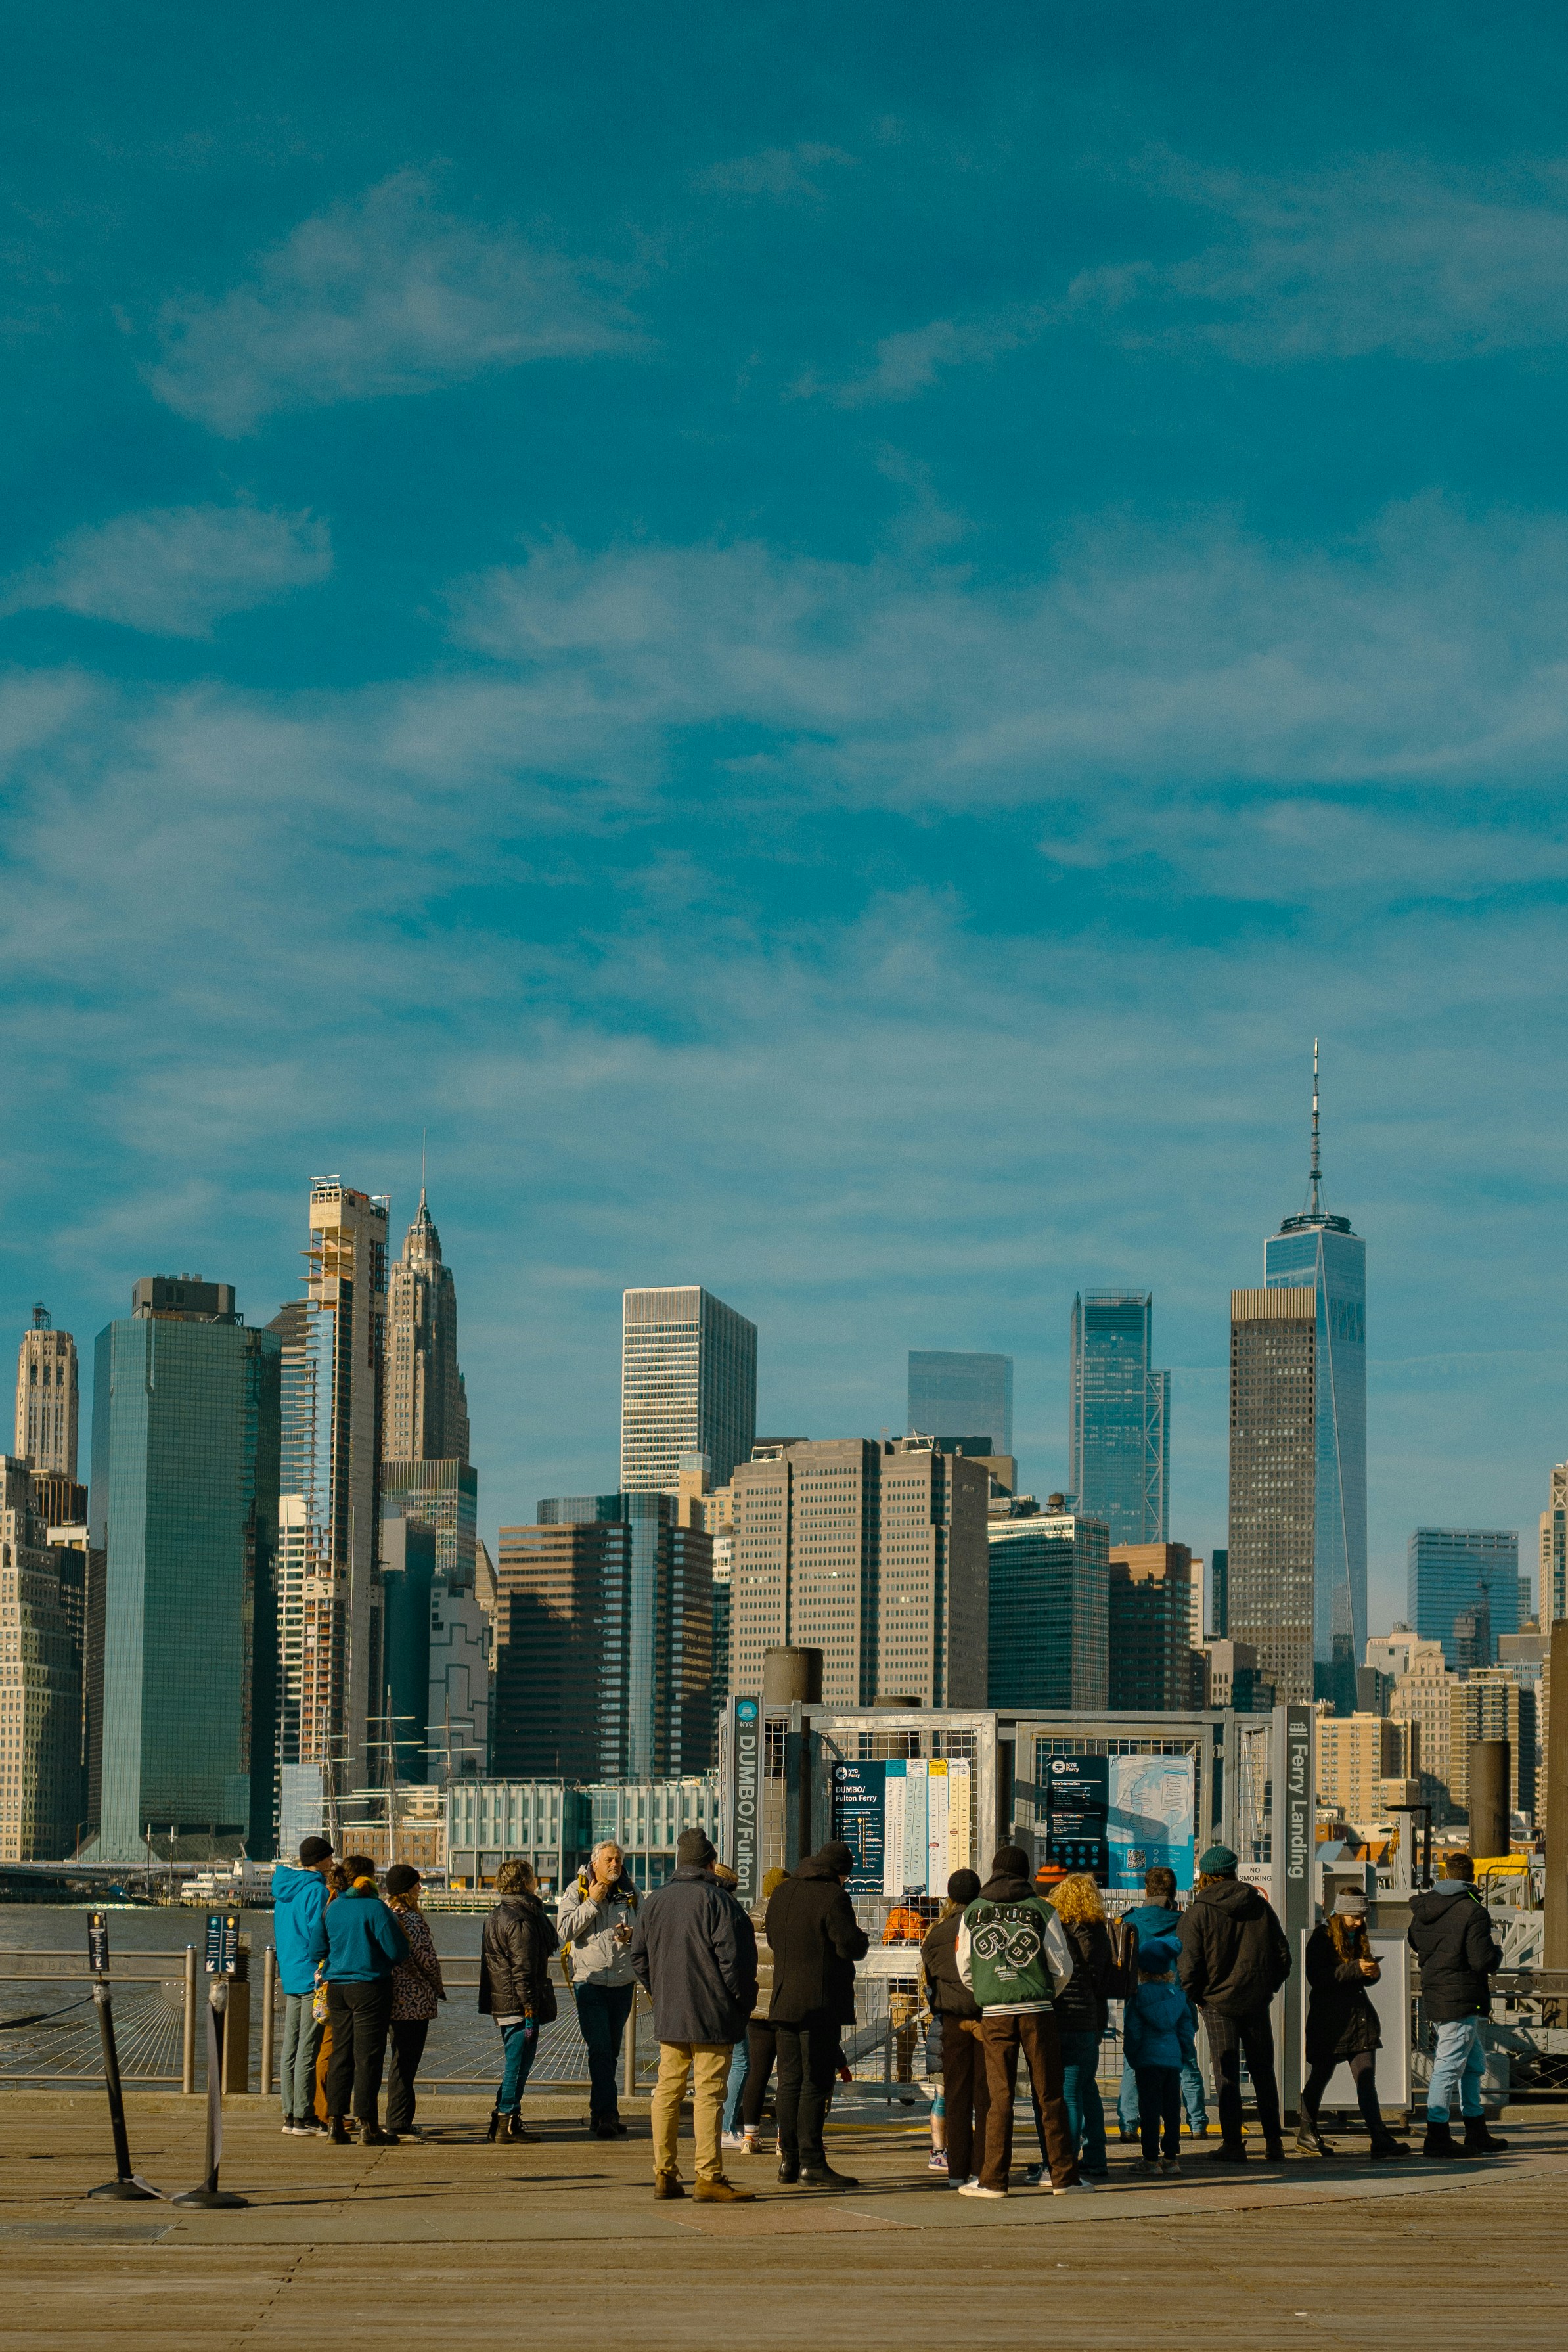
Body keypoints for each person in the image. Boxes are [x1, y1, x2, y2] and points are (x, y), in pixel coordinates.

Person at [629, 1828, 757, 2204]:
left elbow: (638, 1956)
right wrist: (739, 2003)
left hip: (670, 2014)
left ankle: (664, 2173)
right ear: (709, 1862)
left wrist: (660, 1991)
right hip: (713, 2015)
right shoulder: (719, 1901)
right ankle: (709, 2176)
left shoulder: (654, 1902)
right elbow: (736, 1963)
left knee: (667, 2091)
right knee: (708, 2095)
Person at [956, 1844, 1088, 2197]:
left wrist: (991, 1990)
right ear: (1026, 1873)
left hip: (995, 2015)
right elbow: (1063, 1967)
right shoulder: (1042, 1909)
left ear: (994, 1871)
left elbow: (965, 1970)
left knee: (999, 2098)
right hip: (1039, 2013)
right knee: (1050, 2095)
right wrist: (1042, 1993)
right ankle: (1064, 2177)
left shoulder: (973, 1912)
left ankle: (993, 2180)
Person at [764, 1840, 870, 2189]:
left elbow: (777, 1943)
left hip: (782, 2001)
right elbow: (848, 1945)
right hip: (819, 2004)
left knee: (789, 2081)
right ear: (841, 1873)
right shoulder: (833, 1897)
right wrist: (862, 1939)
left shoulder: (782, 1893)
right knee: (816, 2083)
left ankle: (788, 2163)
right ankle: (812, 2162)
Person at [1177, 1843, 1291, 2163]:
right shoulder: (1260, 1908)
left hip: (1216, 2004)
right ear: (1233, 1871)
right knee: (1263, 2072)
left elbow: (1188, 1965)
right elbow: (1284, 1957)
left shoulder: (1198, 1912)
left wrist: (1199, 1997)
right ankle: (1273, 2141)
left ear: (1206, 1875)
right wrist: (1266, 1987)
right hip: (1256, 2001)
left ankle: (1233, 2144)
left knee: (1226, 2074)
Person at [1408, 1852, 1508, 2160]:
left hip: (1436, 1995)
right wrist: (1498, 1952)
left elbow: (1414, 1941)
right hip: (1462, 1997)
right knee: (1448, 2068)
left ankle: (1476, 2131)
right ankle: (1437, 2136)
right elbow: (1482, 1960)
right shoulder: (1473, 1910)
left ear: (1445, 1874)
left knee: (1472, 2063)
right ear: (1471, 1877)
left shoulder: (1424, 1908)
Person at [1297, 1888, 1406, 2160]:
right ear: (1341, 1912)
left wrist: (1372, 1972)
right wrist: (1357, 1968)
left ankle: (1379, 2137)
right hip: (1330, 2022)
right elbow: (1318, 1977)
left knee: (1366, 2079)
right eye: (1355, 1917)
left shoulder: (1357, 1936)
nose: (1359, 1922)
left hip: (1358, 2021)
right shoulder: (1321, 1938)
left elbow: (1357, 1975)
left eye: (1362, 1917)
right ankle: (1306, 2132)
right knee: (1320, 2076)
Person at [311, 1855, 407, 2147]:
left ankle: (335, 2124)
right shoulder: (376, 1908)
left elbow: (317, 1948)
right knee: (367, 2056)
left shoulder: (333, 1907)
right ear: (366, 1878)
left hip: (337, 1988)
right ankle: (368, 2127)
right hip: (370, 1987)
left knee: (341, 2053)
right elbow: (398, 1951)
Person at [1114, 1866, 1208, 2142]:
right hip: (1178, 1998)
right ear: (1173, 1891)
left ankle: (1130, 2124)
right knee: (1186, 2060)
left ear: (1146, 1890)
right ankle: (1198, 2122)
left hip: (1140, 1997)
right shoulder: (1185, 1921)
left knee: (1134, 2063)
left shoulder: (1130, 1922)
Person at [556, 1838, 639, 2140]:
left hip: (621, 1982)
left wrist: (632, 1934)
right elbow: (563, 1931)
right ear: (595, 1864)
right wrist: (591, 1902)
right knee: (600, 2050)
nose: (615, 1864)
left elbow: (646, 1928)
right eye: (609, 1860)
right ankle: (608, 2115)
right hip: (589, 1983)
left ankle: (598, 2113)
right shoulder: (576, 1891)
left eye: (618, 1860)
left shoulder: (630, 1892)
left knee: (610, 2053)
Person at [479, 1856, 558, 2143]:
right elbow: (522, 1969)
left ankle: (502, 2117)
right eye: (533, 1877)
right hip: (519, 2006)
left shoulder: (498, 1914)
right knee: (518, 2064)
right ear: (526, 1883)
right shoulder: (522, 1920)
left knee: (517, 2062)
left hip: (504, 2002)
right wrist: (530, 2008)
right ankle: (506, 2123)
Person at [1045, 1873, 1114, 2183]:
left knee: (1068, 2094)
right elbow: (1099, 1980)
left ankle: (1066, 2162)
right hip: (1091, 2019)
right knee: (1089, 2089)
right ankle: (1096, 2157)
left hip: (1064, 2017)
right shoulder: (1101, 1932)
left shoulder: (1057, 1930)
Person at [920, 1867, 986, 2186]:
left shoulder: (936, 1933)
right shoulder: (985, 1926)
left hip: (949, 2021)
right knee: (986, 2098)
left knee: (953, 2096)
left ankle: (955, 2170)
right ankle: (982, 2168)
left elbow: (929, 1980)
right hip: (986, 2020)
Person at [1122, 1915, 1196, 2177]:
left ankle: (1150, 2159)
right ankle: (1172, 2158)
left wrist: (1133, 2055)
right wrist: (1183, 2053)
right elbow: (1187, 2031)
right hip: (1172, 2060)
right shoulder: (1178, 1997)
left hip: (1146, 2061)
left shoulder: (1138, 1997)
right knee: (1172, 2110)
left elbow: (1133, 2031)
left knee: (1149, 2110)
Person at [272, 1833, 333, 2137]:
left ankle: (289, 2114)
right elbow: (319, 1936)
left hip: (290, 1974)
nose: (333, 1863)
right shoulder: (318, 1892)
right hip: (312, 1976)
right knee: (309, 2047)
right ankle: (304, 2116)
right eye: (330, 1858)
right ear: (320, 1861)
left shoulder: (283, 1892)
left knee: (290, 2049)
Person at [384, 1863, 445, 2143]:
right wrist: (438, 1987)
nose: (421, 1888)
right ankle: (399, 2121)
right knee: (406, 2062)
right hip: (413, 2001)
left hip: (387, 1997)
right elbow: (427, 1960)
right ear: (407, 1889)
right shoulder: (411, 1919)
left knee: (396, 2058)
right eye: (417, 1884)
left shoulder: (385, 1915)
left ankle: (395, 2119)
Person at [730, 1865, 788, 2154]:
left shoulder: (747, 1917)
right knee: (788, 2075)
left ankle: (750, 2136)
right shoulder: (789, 1916)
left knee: (757, 2073)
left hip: (755, 2009)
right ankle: (783, 2139)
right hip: (784, 2005)